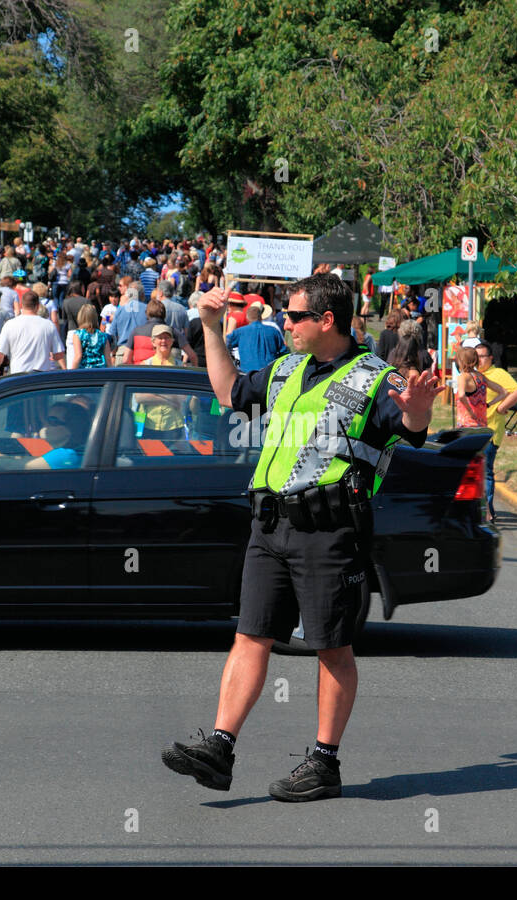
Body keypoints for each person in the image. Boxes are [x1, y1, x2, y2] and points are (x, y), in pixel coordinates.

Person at [161, 273, 442, 802]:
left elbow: (411, 427)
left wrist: (418, 408)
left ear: (326, 320)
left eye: (293, 316)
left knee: (331, 647)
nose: (284, 323)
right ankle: (219, 748)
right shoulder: (286, 368)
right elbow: (227, 392)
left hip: (329, 531)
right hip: (270, 525)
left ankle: (324, 763)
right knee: (251, 635)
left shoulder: (374, 378)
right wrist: (210, 328)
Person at [0, 401, 89, 470]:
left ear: (71, 429)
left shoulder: (67, 456)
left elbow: (11, 465)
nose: (45, 423)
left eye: (52, 420)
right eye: (46, 418)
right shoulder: (71, 452)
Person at [475, 342, 517, 523]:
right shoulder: (477, 375)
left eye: (482, 356)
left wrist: (501, 407)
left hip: (491, 431)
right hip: (476, 430)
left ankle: (488, 512)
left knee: (485, 471)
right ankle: (481, 510)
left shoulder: (498, 374)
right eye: (476, 356)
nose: (479, 360)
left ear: (490, 358)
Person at [0, 289, 67, 375]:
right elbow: (60, 354)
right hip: (41, 376)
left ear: (21, 305)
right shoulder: (49, 325)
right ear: (38, 306)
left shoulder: (10, 324)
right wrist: (53, 356)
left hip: (19, 375)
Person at [226, 303, 286, 372]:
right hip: (268, 372)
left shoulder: (239, 332)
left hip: (247, 373)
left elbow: (226, 344)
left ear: (247, 318)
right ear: (261, 317)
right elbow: (283, 352)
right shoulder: (273, 330)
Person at [67, 303, 112, 369]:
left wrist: (71, 372)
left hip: (85, 371)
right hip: (101, 371)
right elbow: (108, 359)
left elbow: (78, 356)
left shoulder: (78, 334)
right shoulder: (103, 336)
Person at [454, 345, 488, 427]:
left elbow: (461, 395)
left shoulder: (463, 377)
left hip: (467, 423)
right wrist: (489, 404)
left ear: (461, 361)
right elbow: (503, 392)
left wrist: (470, 411)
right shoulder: (481, 376)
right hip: (482, 421)